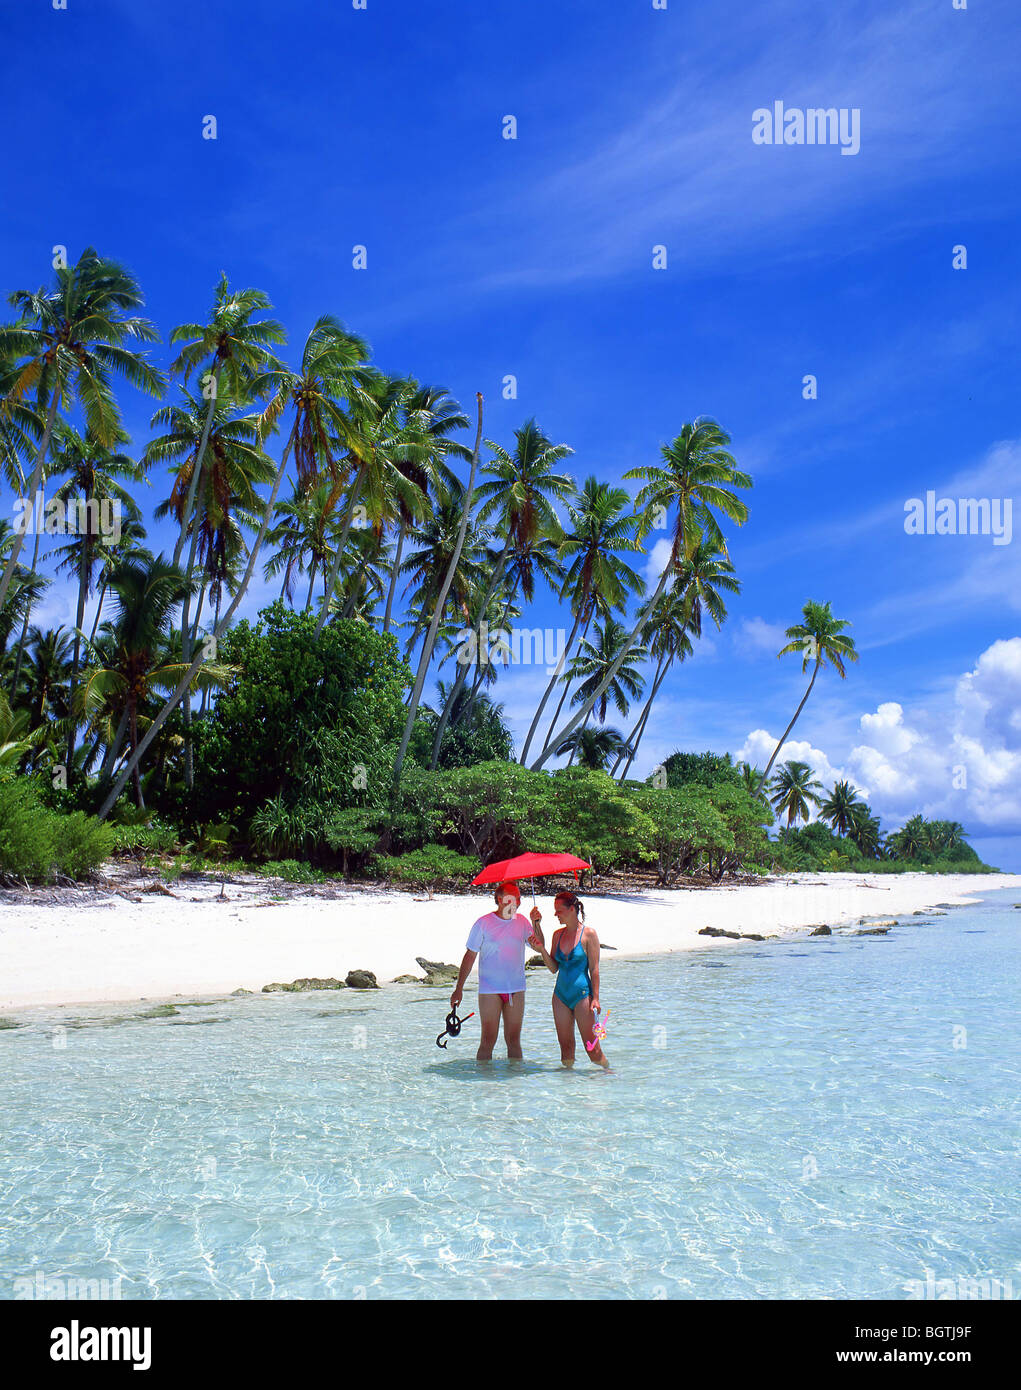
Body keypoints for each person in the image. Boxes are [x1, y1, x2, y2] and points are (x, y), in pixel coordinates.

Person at [450, 881, 544, 1061]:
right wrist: (459, 988)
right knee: (488, 1040)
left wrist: (536, 923)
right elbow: (470, 956)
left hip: (516, 989)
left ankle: (513, 1084)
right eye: (513, 898)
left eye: (519, 898)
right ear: (500, 900)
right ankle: (486, 1086)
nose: (517, 902)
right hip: (490, 990)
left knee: (514, 1040)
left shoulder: (523, 922)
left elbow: (540, 947)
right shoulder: (483, 923)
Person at [530, 890, 608, 1068]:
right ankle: (567, 1089)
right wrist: (541, 949)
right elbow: (553, 968)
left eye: (559, 910)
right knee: (566, 1048)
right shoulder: (557, 935)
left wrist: (595, 998)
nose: (555, 914)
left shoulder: (589, 934)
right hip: (560, 996)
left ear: (572, 909)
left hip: (582, 995)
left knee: (592, 1049)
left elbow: (594, 969)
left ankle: (607, 1076)